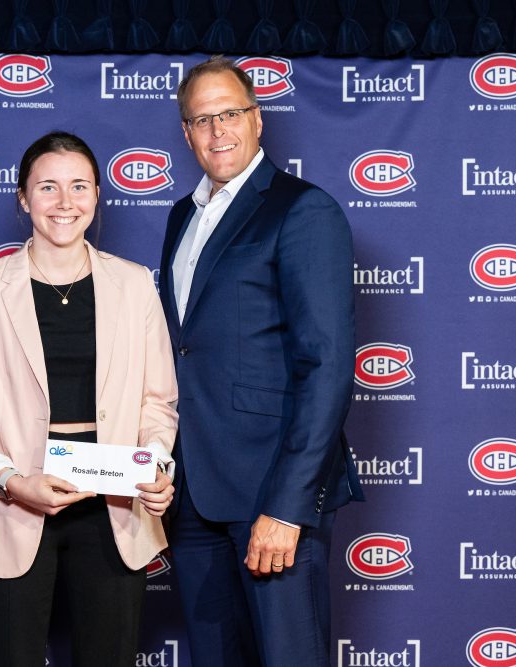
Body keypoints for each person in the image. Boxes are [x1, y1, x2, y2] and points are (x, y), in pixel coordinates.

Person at [0, 131, 178, 667]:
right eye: (47, 187)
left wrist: (156, 465)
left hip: (115, 509)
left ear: (97, 195)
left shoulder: (135, 285)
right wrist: (12, 480)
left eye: (78, 187)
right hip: (11, 507)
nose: (64, 203)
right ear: (23, 199)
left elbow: (158, 403)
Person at [158, 56, 364, 666]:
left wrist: (288, 505)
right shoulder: (181, 217)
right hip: (194, 491)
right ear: (186, 133)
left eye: (231, 114)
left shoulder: (303, 210)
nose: (218, 131)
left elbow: (326, 365)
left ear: (258, 119)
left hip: (270, 493)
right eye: (201, 120)